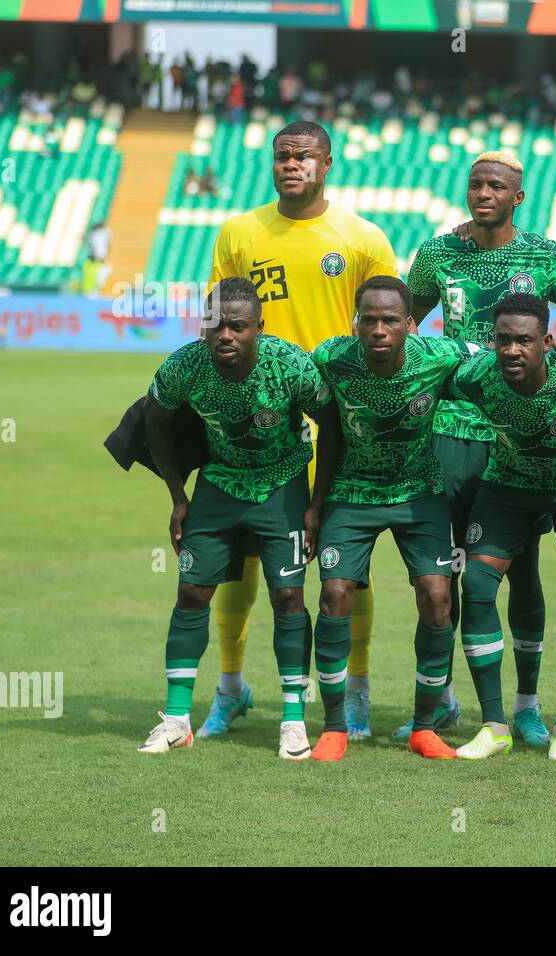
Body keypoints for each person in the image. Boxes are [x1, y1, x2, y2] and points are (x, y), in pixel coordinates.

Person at [405, 151, 556, 746]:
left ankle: (526, 706)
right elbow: (403, 323)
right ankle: (441, 696)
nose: (482, 192)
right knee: (444, 575)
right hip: (454, 428)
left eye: (495, 184)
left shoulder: (548, 258)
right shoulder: (437, 253)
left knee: (522, 572)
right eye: (475, 183)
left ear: (517, 196)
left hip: (521, 439)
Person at [195, 120, 399, 741]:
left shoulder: (362, 239)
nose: (292, 165)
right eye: (283, 156)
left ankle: (355, 694)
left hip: (337, 421)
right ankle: (231, 688)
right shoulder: (239, 232)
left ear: (327, 163)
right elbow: (213, 321)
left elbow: (385, 324)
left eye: (304, 156)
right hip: (259, 422)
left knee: (344, 565)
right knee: (245, 560)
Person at [138, 278, 329, 760]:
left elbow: (336, 424)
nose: (225, 334)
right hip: (219, 484)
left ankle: (292, 720)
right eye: (215, 325)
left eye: (237, 326)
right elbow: (153, 419)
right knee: (191, 591)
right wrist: (178, 497)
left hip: (281, 482)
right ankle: (177, 719)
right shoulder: (184, 365)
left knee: (288, 597)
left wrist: (315, 504)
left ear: (259, 329)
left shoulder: (290, 365)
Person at [307, 277, 479, 762]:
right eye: (369, 319)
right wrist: (314, 505)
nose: (378, 329)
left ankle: (425, 726)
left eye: (389, 320)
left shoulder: (440, 356)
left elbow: (501, 356)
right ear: (355, 322)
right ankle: (335, 726)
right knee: (336, 591)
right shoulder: (330, 358)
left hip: (419, 491)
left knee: (438, 593)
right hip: (353, 491)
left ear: (410, 325)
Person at [445, 293, 556, 762]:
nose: (511, 351)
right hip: (508, 484)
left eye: (524, 341)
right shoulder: (475, 375)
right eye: (502, 340)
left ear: (546, 342)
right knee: (477, 586)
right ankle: (494, 725)